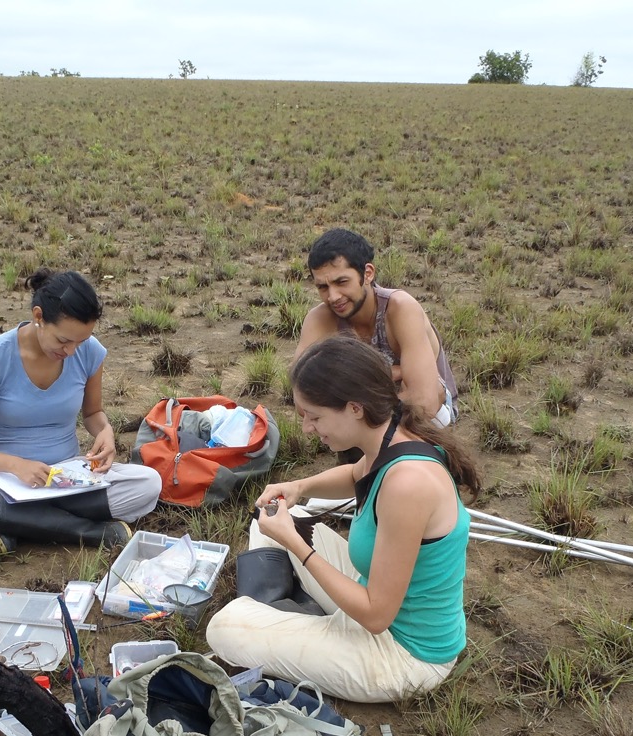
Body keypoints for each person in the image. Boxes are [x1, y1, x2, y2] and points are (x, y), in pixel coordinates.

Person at [205, 336, 481, 703]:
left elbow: (376, 615)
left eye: (315, 416)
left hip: (400, 654)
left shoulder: (409, 484)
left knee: (224, 627)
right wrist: (299, 486)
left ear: (354, 408)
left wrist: (295, 543)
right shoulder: (391, 433)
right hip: (373, 596)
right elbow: (356, 475)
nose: (306, 428)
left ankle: (284, 623)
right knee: (278, 515)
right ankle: (293, 624)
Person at [0, 269, 161, 549]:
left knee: (148, 483)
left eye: (80, 342)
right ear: (39, 317)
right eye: (63, 340)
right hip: (3, 478)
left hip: (64, 477)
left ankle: (19, 524)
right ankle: (88, 532)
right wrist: (17, 466)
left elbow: (92, 414)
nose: (72, 351)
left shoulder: (90, 352)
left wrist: (106, 432)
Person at [295, 228, 458, 427]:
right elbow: (303, 400)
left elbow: (427, 401)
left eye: (342, 282)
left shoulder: (400, 308)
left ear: (368, 273)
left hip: (424, 415)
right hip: (361, 411)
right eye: (323, 287)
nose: (333, 296)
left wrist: (350, 397)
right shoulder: (319, 319)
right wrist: (393, 372)